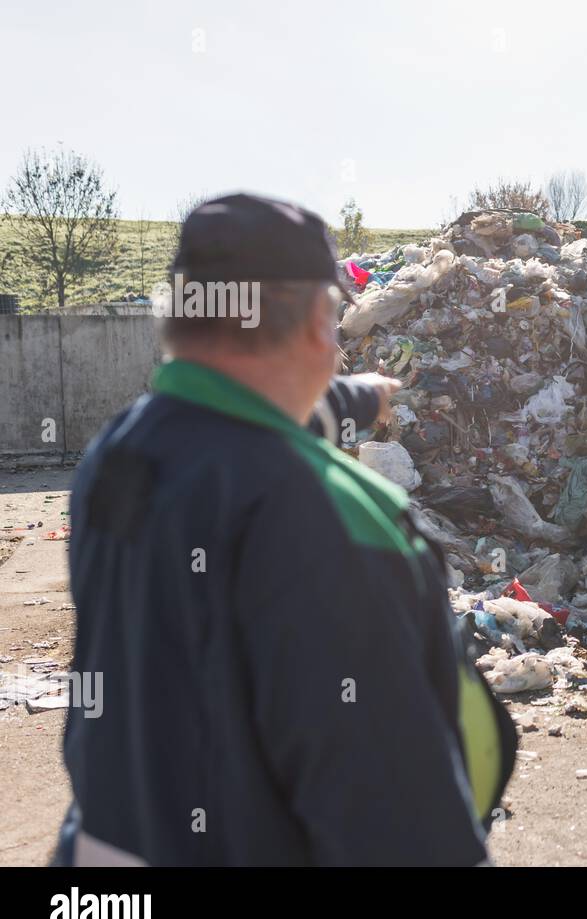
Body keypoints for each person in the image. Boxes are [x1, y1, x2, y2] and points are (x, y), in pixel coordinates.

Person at [59, 193, 514, 866]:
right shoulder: (344, 522)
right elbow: (401, 833)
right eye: (334, 319)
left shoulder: (116, 458)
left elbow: (232, 427)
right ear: (314, 324)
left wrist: (356, 395)